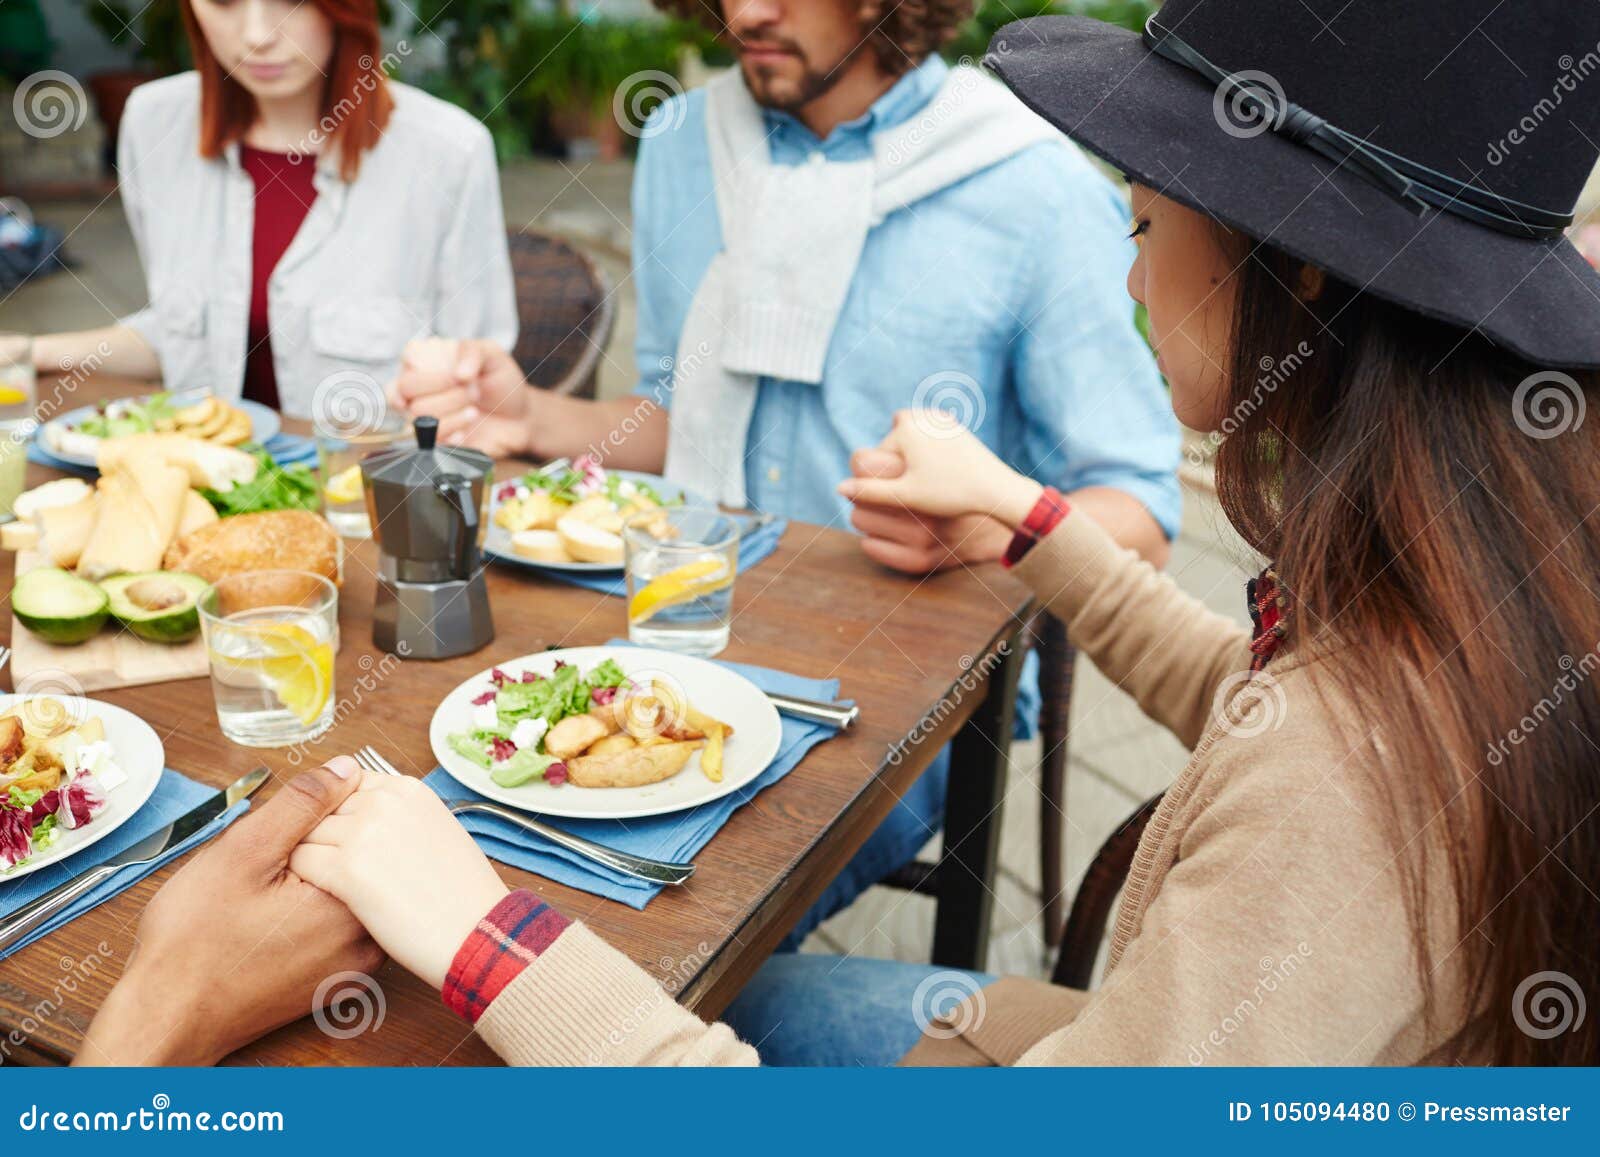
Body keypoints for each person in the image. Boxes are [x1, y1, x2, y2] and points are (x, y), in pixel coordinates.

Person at [87, 0, 1600, 1066]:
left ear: (1310, 277)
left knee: (503, 981)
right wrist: (1019, 520)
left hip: (901, 747)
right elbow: (1253, 706)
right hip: (1080, 1001)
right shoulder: (1460, 591)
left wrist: (487, 942)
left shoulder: (1344, 784)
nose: (1129, 253)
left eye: (1147, 216)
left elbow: (1292, 771)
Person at [391, 0, 1180, 946]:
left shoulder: (1032, 182)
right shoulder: (684, 139)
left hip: (909, 684)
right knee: (441, 847)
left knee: (633, 932)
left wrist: (983, 532)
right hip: (676, 626)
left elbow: (1138, 507)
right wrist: (533, 416)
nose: (748, 10)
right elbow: (680, 424)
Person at [34, 0, 514, 416]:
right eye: (223, 1)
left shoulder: (449, 152)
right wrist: (30, 351)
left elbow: (474, 389)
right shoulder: (153, 122)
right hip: (205, 489)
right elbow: (184, 333)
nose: (257, 35)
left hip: (365, 499)